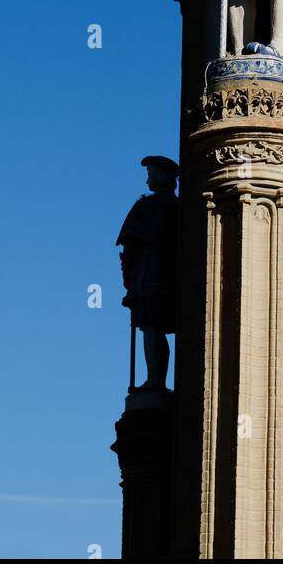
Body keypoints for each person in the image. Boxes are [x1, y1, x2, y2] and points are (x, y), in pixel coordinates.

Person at [116, 156, 178, 391]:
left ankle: (155, 380)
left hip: (150, 274)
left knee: (151, 325)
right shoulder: (181, 207)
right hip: (171, 275)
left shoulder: (148, 206)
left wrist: (129, 280)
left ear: (162, 177)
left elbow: (129, 245)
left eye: (150, 174)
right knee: (155, 326)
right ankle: (157, 381)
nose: (147, 179)